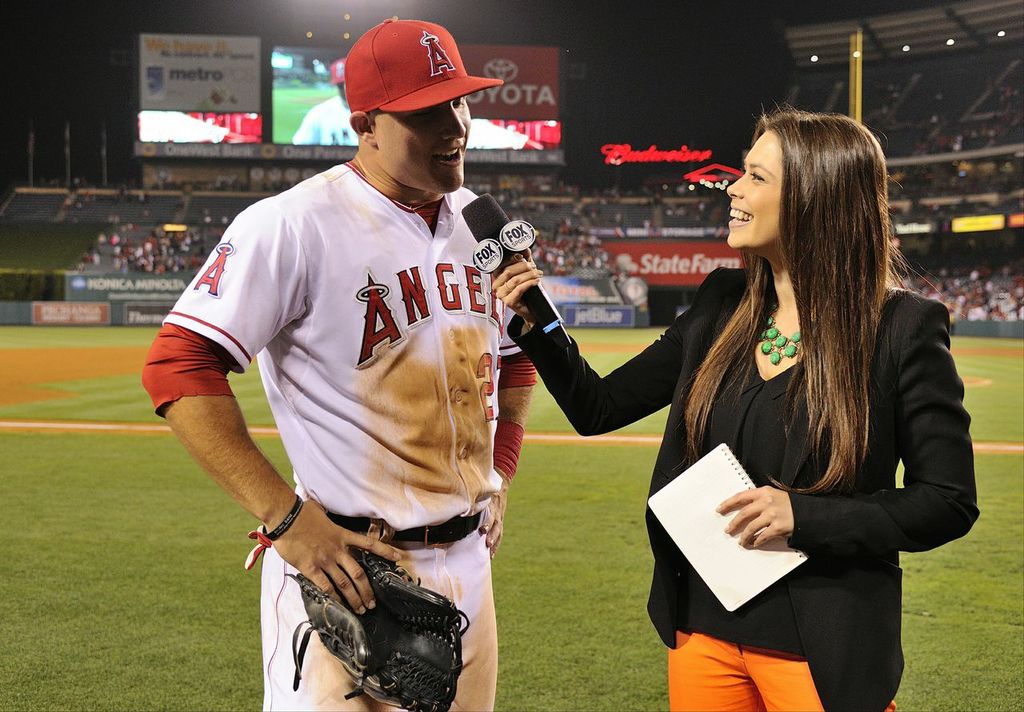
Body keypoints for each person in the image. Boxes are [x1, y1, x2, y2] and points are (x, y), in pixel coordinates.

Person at [492, 108, 978, 712]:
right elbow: (599, 407)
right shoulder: (721, 303)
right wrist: (539, 320)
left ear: (815, 198)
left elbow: (947, 501)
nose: (733, 189)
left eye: (756, 177)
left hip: (821, 646)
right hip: (702, 631)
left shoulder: (902, 328)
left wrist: (804, 516)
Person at [142, 18, 536, 711]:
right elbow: (178, 365)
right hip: (349, 571)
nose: (455, 125)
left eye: (458, 101)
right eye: (426, 111)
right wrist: (286, 520)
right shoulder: (295, 223)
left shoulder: (483, 223)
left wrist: (499, 470)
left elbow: (516, 356)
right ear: (366, 125)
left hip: (471, 560)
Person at [292, 58, 357, 146]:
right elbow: (298, 149)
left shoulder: (373, 113)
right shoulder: (318, 113)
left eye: (350, 83)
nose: (345, 89)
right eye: (340, 85)